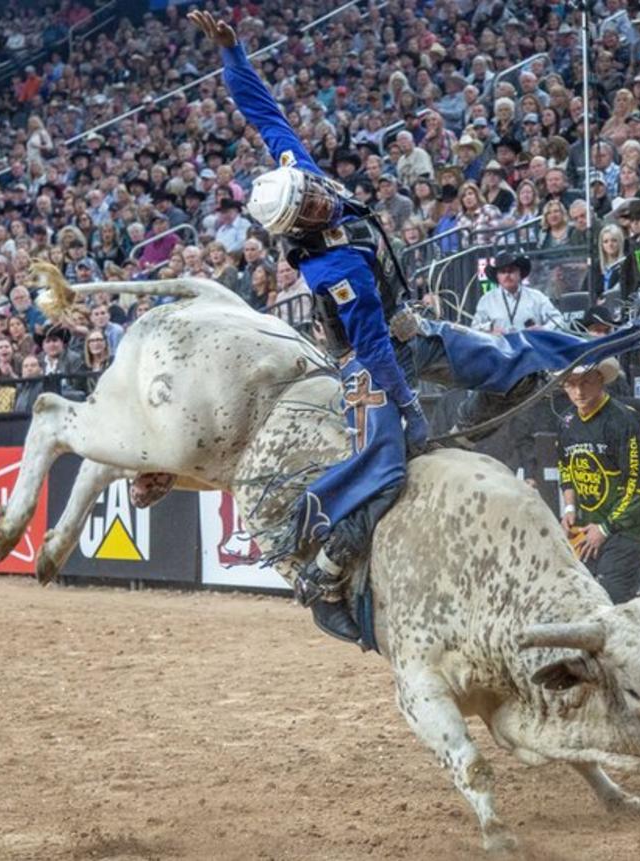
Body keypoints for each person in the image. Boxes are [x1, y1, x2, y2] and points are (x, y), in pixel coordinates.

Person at [190, 9, 428, 643]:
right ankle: (322, 574)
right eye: (314, 203)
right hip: (365, 365)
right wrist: (405, 404)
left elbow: (265, 115)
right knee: (389, 468)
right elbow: (372, 344)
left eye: (316, 193)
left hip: (397, 324)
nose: (325, 197)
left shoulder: (302, 176)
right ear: (298, 224)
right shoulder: (331, 270)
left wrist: (234, 55)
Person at [557, 357, 640, 603]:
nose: (579, 391)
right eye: (572, 384)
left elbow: (637, 486)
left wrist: (605, 528)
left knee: (613, 600)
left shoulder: (623, 420)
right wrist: (570, 507)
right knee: (587, 600)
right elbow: (566, 467)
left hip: (628, 527)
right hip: (590, 526)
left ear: (600, 381)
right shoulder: (567, 421)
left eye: (586, 382)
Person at [471, 252, 563, 334]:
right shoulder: (486, 300)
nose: (507, 275)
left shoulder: (537, 297)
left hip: (532, 348)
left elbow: (559, 320)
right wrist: (490, 329)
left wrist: (543, 329)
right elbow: (474, 328)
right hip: (499, 350)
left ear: (520, 273)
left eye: (511, 271)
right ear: (497, 277)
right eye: (503, 272)